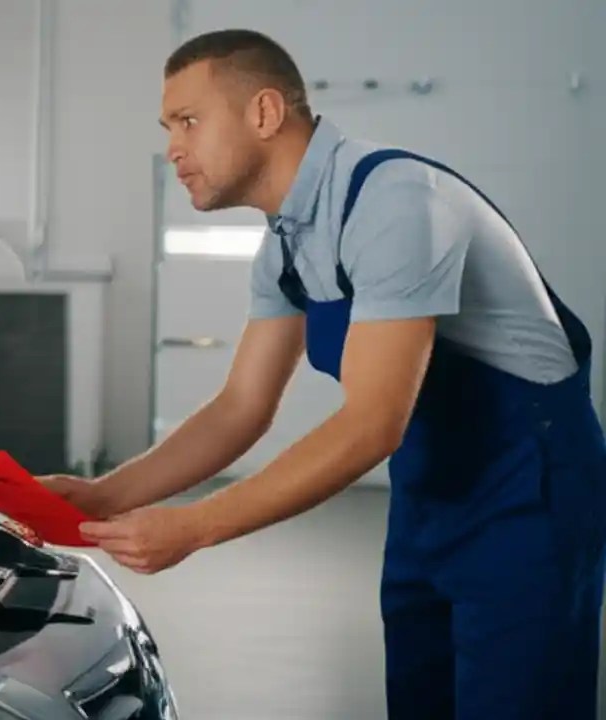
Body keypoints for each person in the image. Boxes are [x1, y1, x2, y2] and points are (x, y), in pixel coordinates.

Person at [40, 28, 606, 719]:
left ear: (265, 114)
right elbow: (241, 408)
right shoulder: (287, 245)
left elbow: (372, 424)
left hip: (530, 493)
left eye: (188, 121)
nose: (173, 150)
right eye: (168, 128)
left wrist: (194, 527)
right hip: (432, 498)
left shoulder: (394, 203)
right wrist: (102, 496)